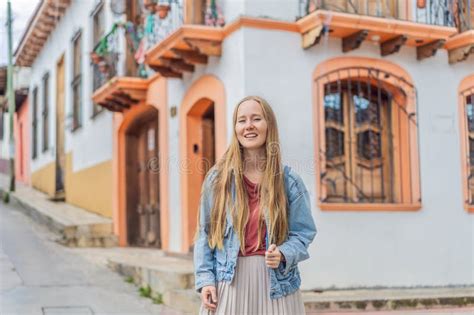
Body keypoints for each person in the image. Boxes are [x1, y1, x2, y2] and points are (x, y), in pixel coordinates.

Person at [194, 96, 317, 314]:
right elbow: (205, 233)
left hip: (277, 284)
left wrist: (283, 253)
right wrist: (205, 280)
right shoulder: (217, 180)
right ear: (235, 128)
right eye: (241, 120)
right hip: (228, 282)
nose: (248, 126)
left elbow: (303, 233)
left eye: (256, 119)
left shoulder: (289, 182)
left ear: (269, 125)